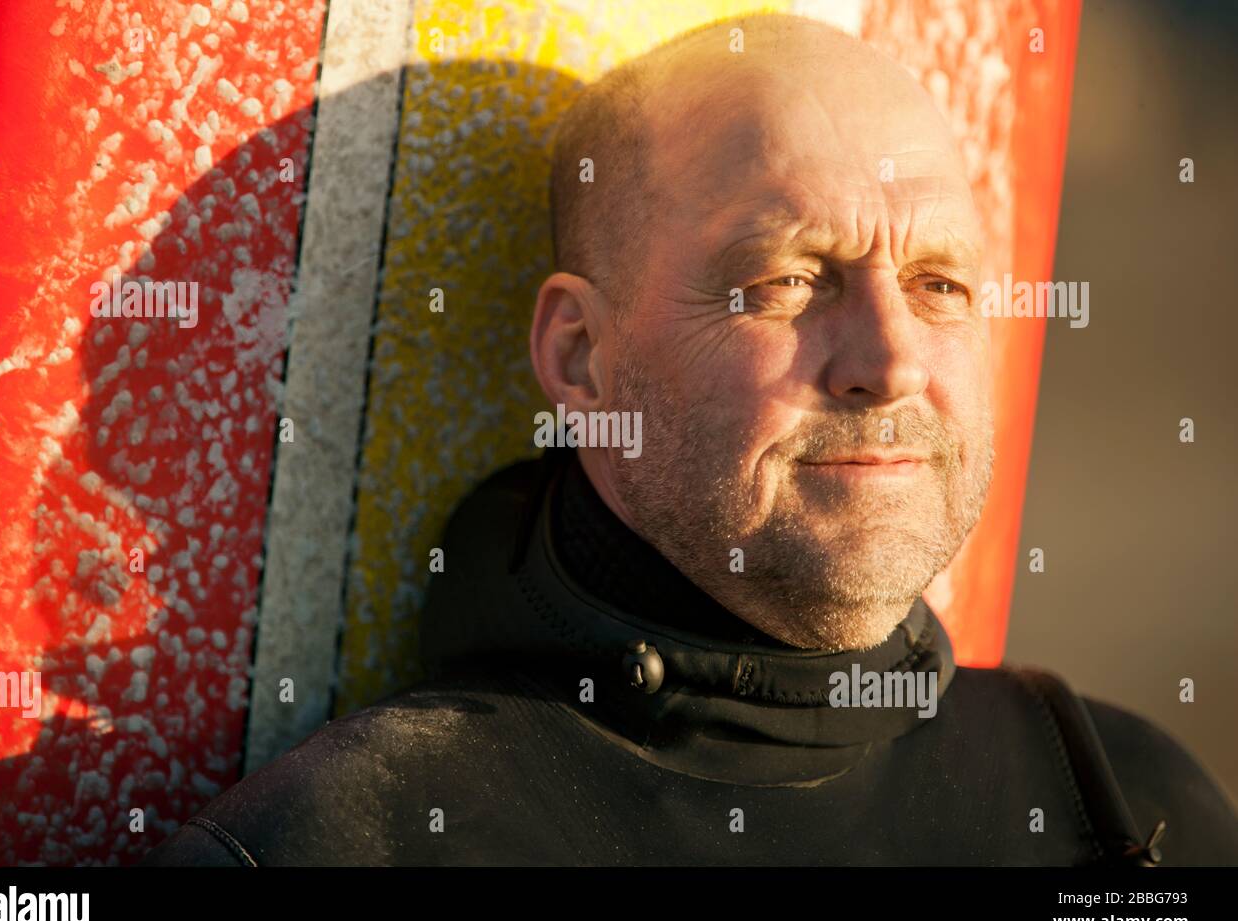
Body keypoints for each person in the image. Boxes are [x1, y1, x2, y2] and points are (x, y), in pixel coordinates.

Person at [141, 12, 1238, 866]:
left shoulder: (1124, 802)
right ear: (579, 357)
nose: (892, 360)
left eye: (938, 282)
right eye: (788, 280)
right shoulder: (338, 845)